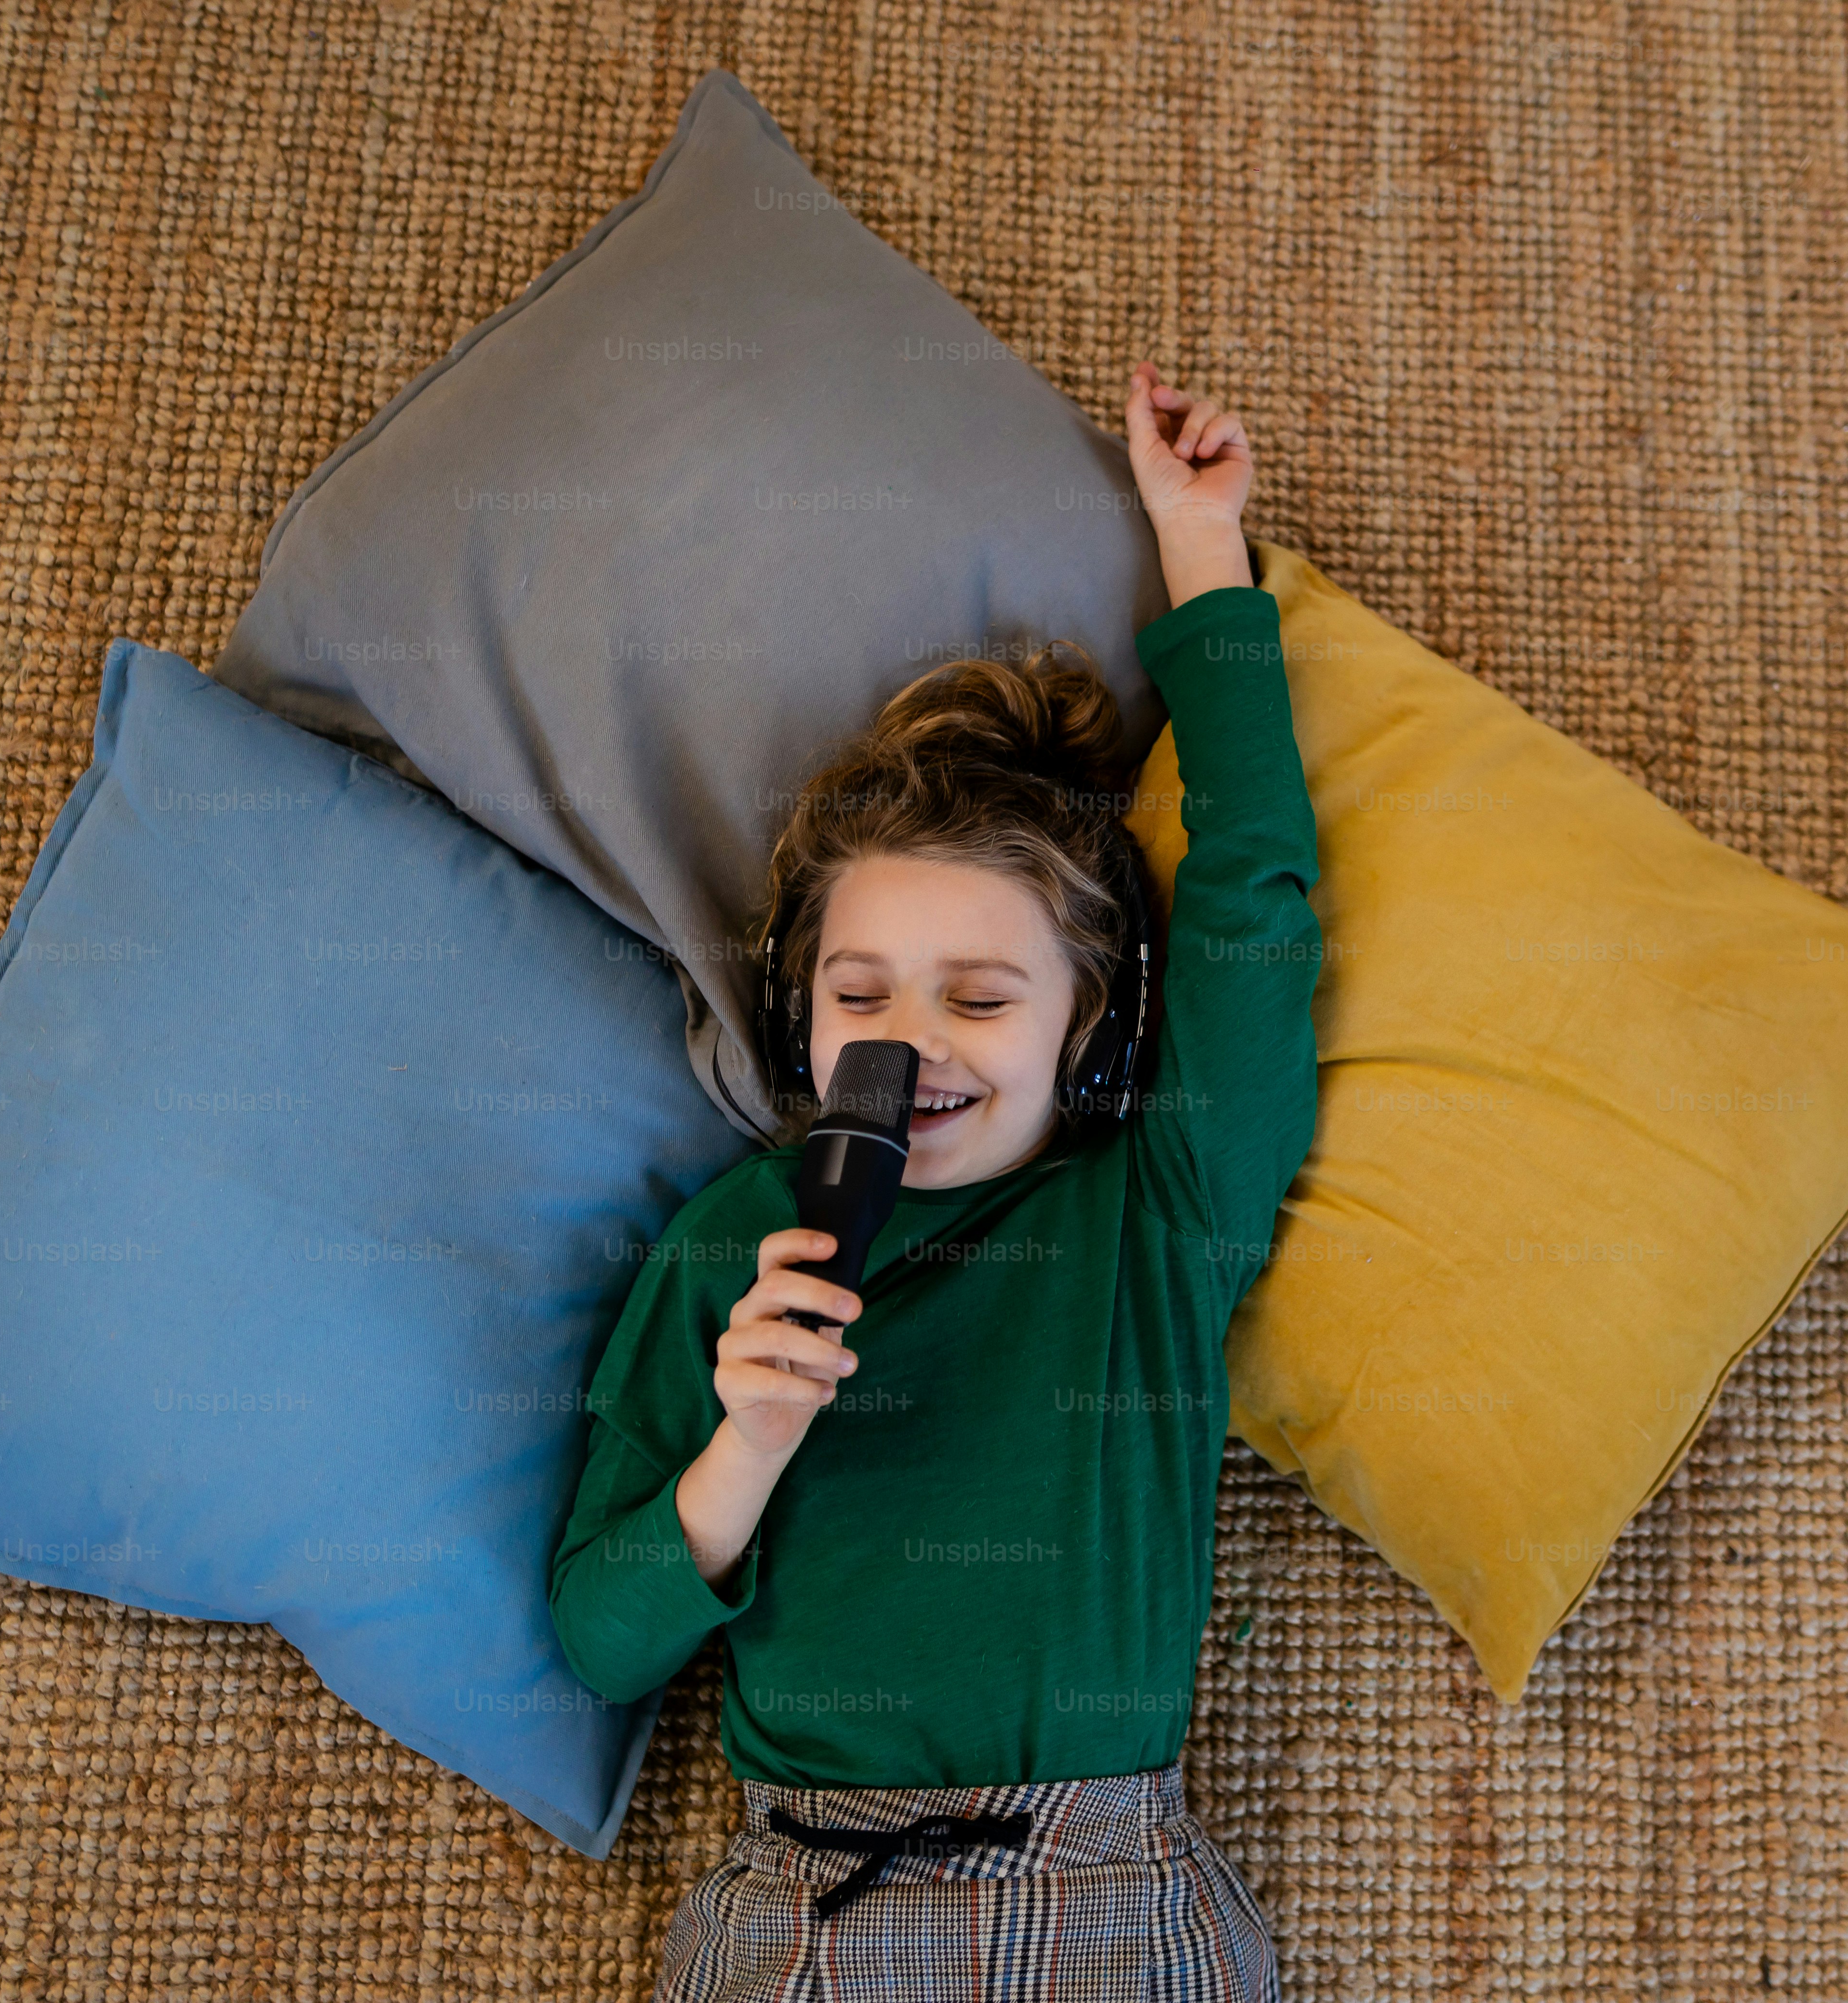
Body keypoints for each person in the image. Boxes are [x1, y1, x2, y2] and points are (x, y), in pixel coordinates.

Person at [550, 363, 1318, 2001]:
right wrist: (741, 1449)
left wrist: (1203, 559)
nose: (914, 1041)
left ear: (1093, 1032)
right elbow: (599, 1642)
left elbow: (1253, 900)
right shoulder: (727, 1253)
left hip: (1109, 1885)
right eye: (860, 995)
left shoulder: (1153, 1217)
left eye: (981, 997)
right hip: (806, 1907)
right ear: (794, 1015)